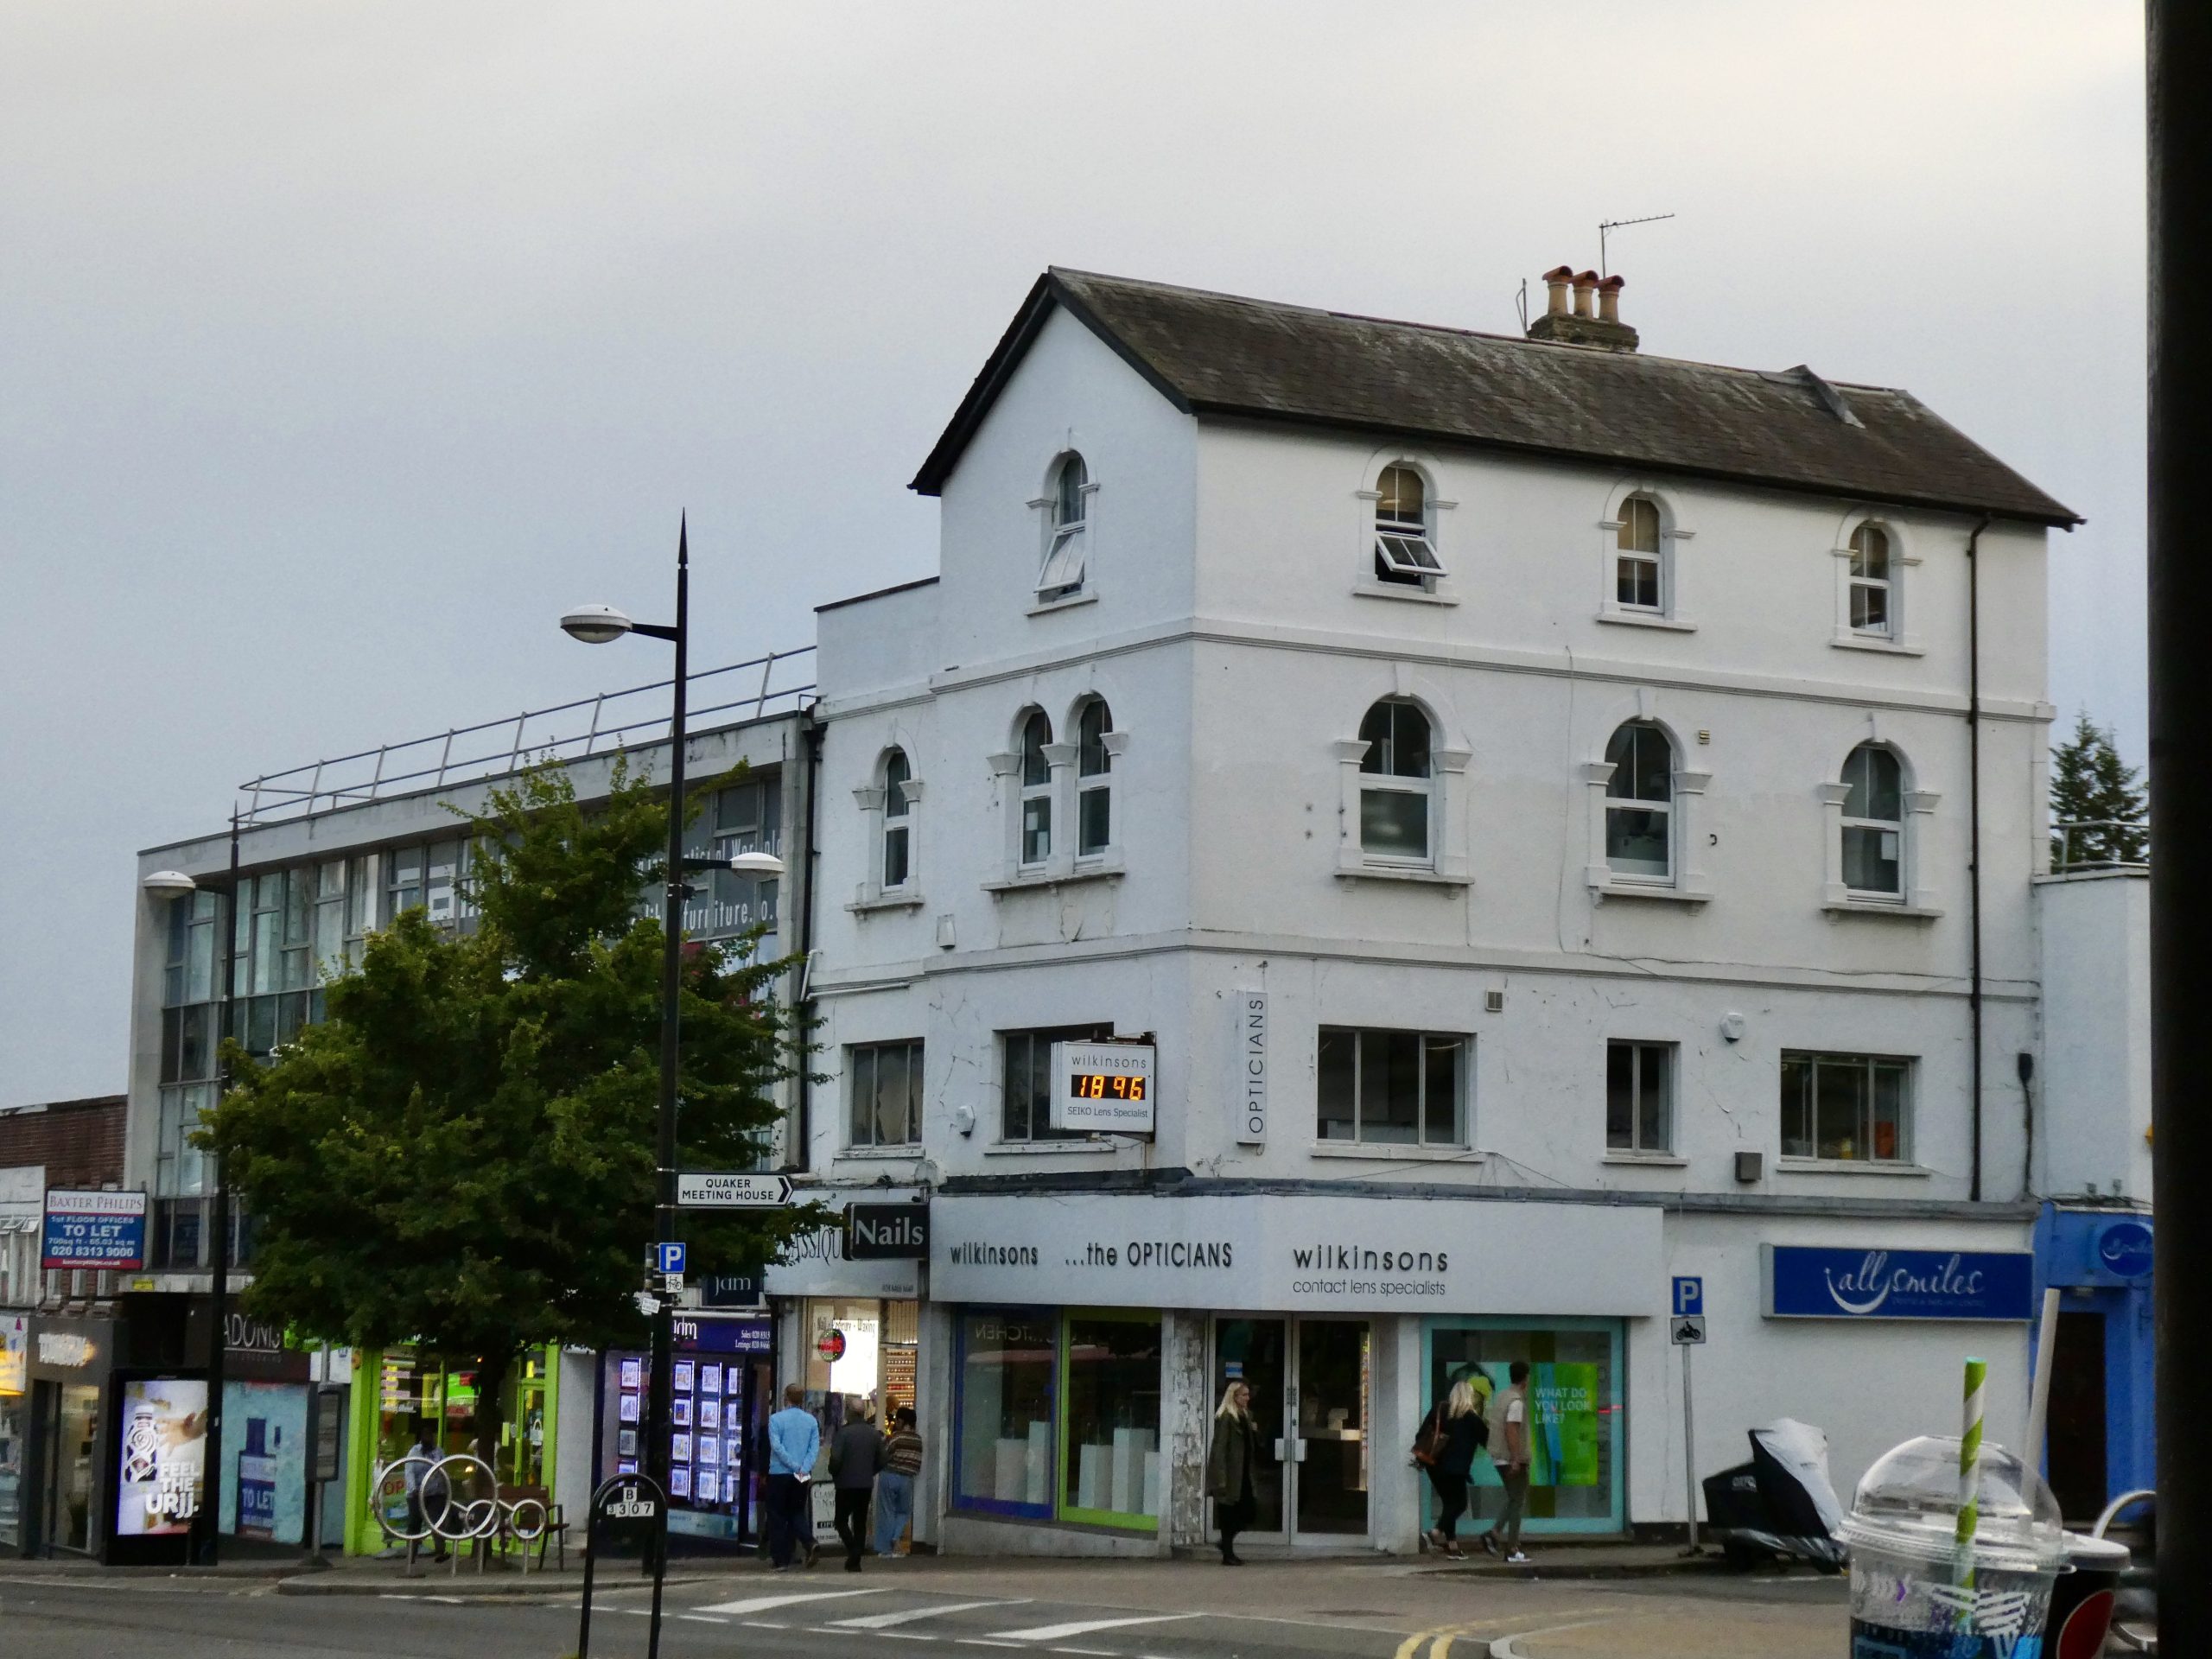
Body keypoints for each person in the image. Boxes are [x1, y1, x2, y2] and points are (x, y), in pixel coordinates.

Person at [1419, 1378, 1489, 1559]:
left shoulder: (1439, 1410)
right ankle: (1434, 1533)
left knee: (1449, 1504)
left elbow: (1420, 1435)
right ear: (1469, 1397)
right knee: (1459, 1504)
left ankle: (1453, 1546)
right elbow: (1488, 1441)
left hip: (1433, 1466)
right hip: (1455, 1469)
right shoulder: (1472, 1419)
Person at [1478, 1361, 1532, 1563]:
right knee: (1518, 1501)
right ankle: (1512, 1548)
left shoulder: (1502, 1396)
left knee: (1513, 1498)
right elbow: (1512, 1429)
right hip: (1511, 1458)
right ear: (1525, 1378)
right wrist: (1516, 1459)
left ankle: (1494, 1533)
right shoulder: (1516, 1401)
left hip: (1499, 1456)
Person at [1204, 1380, 1263, 1565]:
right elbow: (1219, 1449)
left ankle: (1224, 1544)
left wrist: (1255, 1431)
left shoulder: (1246, 1415)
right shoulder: (1226, 1418)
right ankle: (1228, 1554)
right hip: (1230, 1474)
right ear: (1234, 1397)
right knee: (1228, 1514)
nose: (1248, 1398)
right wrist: (1220, 1479)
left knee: (1248, 1512)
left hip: (1244, 1472)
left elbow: (1252, 1444)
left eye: (1248, 1394)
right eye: (1244, 1395)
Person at [765, 1383, 821, 1570]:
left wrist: (793, 1465)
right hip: (802, 1475)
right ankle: (809, 1542)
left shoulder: (776, 1420)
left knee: (777, 1514)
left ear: (785, 1397)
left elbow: (777, 1447)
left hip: (780, 1473)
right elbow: (814, 1449)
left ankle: (780, 1559)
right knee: (797, 1511)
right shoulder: (811, 1421)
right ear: (802, 1399)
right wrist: (804, 1468)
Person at [827, 1395, 885, 1572]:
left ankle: (854, 1551)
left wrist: (834, 1472)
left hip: (845, 1484)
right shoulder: (873, 1434)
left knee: (841, 1520)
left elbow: (836, 1459)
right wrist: (870, 1471)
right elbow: (883, 1459)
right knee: (860, 1522)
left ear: (850, 1413)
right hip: (865, 1484)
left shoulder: (843, 1433)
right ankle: (855, 1558)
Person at [874, 1407, 924, 1557]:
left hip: (889, 1475)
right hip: (907, 1479)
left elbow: (885, 1455)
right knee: (904, 1512)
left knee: (887, 1511)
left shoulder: (896, 1437)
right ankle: (896, 1538)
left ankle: (885, 1549)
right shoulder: (918, 1440)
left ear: (902, 1421)